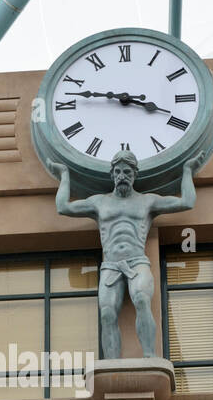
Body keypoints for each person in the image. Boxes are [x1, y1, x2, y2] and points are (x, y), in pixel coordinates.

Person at [48, 149, 202, 358]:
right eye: (119, 172)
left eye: (127, 172)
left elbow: (186, 202)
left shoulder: (147, 201)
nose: (122, 176)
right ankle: (112, 363)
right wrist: (64, 174)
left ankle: (149, 355)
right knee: (107, 312)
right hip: (111, 265)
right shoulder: (99, 202)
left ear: (135, 175)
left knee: (141, 300)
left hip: (137, 262)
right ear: (112, 175)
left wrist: (187, 170)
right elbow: (63, 207)